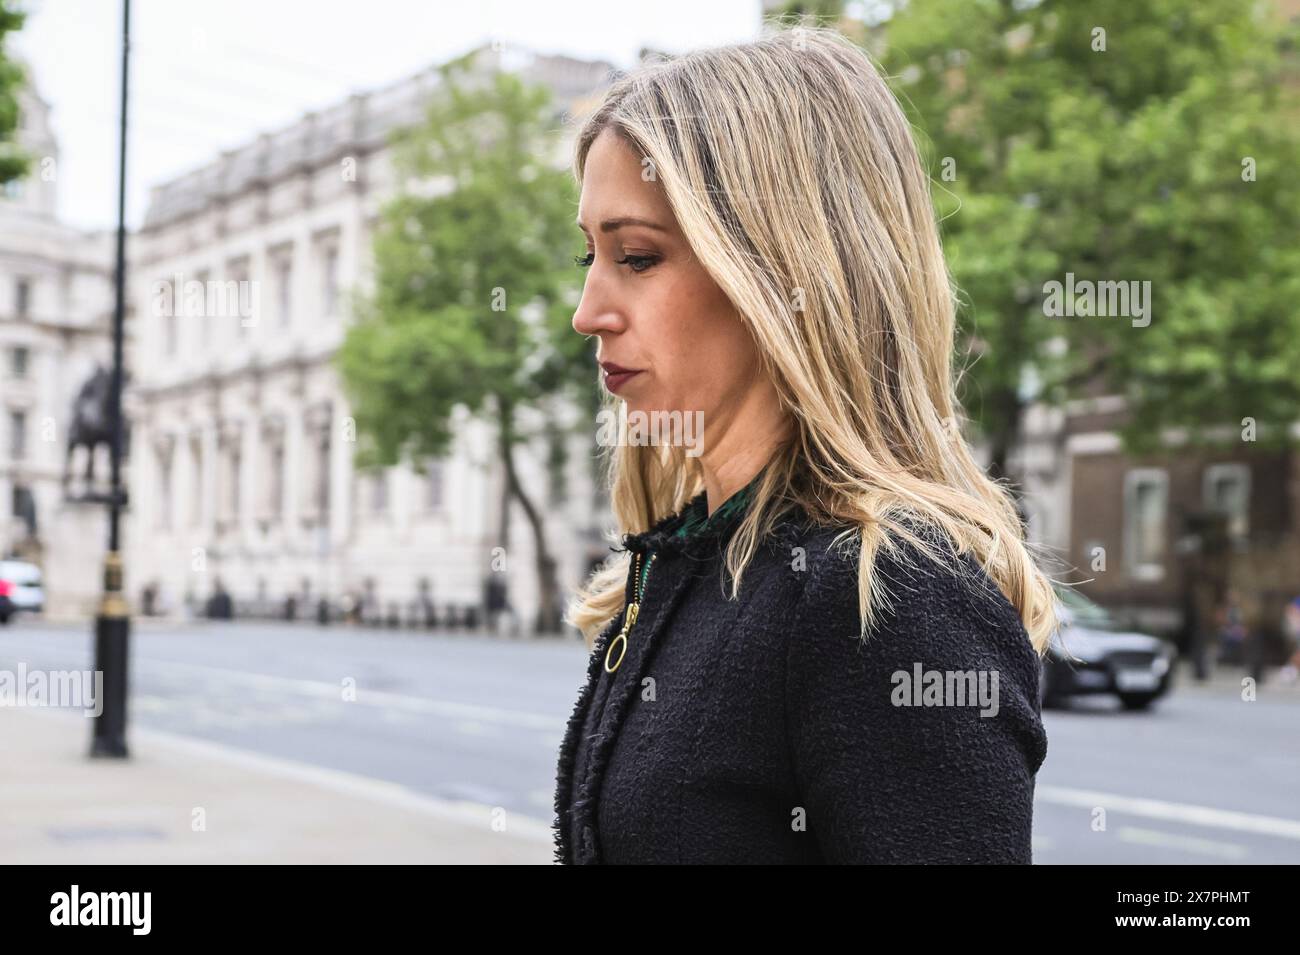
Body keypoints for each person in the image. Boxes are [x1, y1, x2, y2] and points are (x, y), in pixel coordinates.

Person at [554, 28, 1057, 865]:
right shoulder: (685, 561)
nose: (587, 309)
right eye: (590, 254)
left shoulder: (888, 591)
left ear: (781, 270)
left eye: (637, 257)